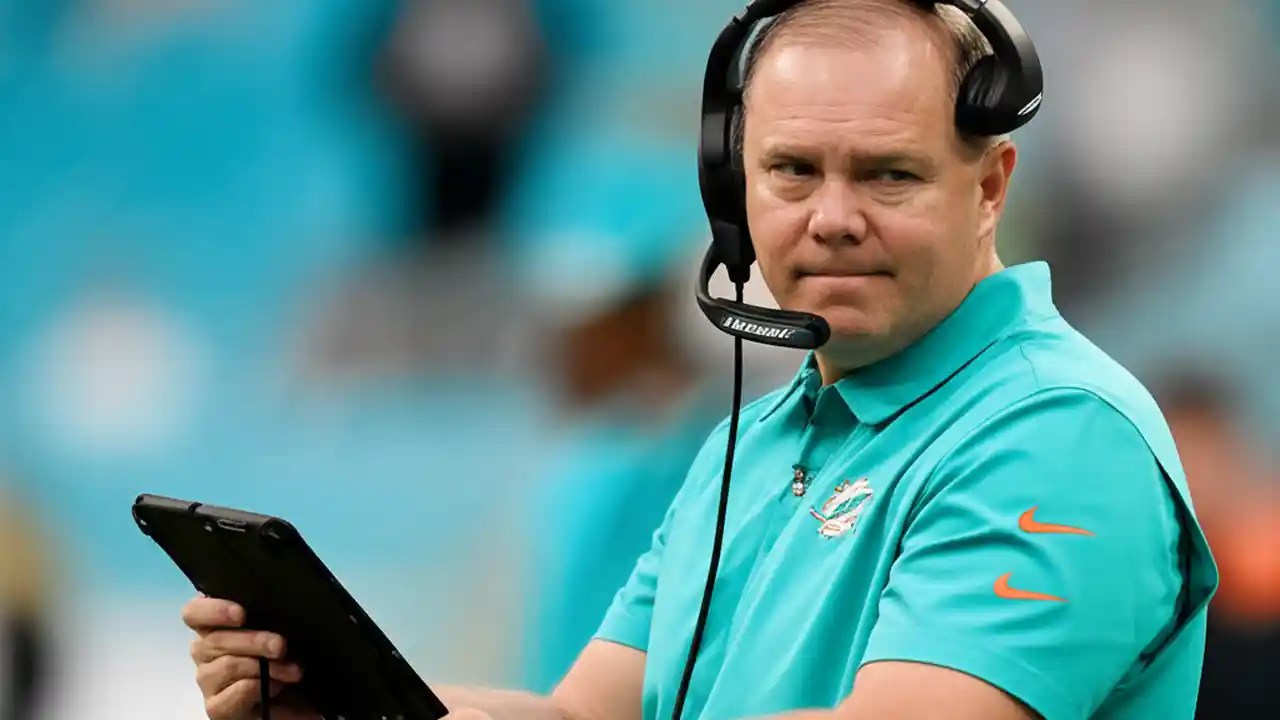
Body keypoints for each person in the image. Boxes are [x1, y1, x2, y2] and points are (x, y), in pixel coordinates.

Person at [179, 1, 1219, 719]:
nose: (831, 219)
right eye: (790, 170)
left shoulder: (1054, 433)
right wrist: (360, 700)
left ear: (989, 186)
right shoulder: (749, 440)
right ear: (734, 191)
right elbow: (585, 710)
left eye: (887, 175)